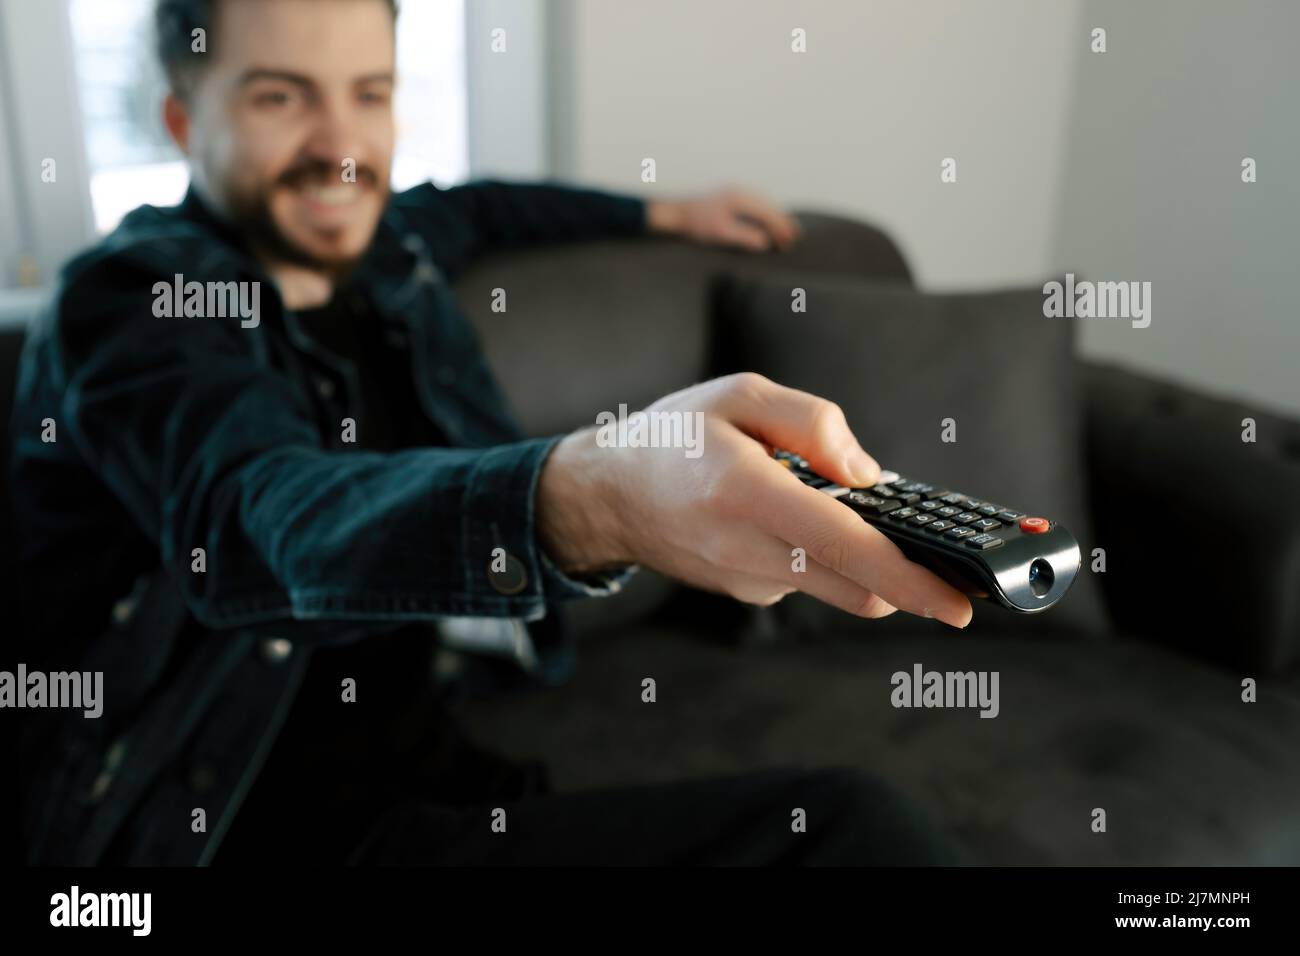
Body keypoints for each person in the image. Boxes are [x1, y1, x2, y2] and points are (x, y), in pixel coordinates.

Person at [10, 0, 971, 866]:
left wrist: (667, 209)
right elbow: (261, 516)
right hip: (244, 825)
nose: (341, 145)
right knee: (853, 832)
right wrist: (595, 496)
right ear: (183, 121)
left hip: (442, 775)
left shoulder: (392, 245)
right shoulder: (136, 298)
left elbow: (485, 206)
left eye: (370, 94)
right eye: (279, 98)